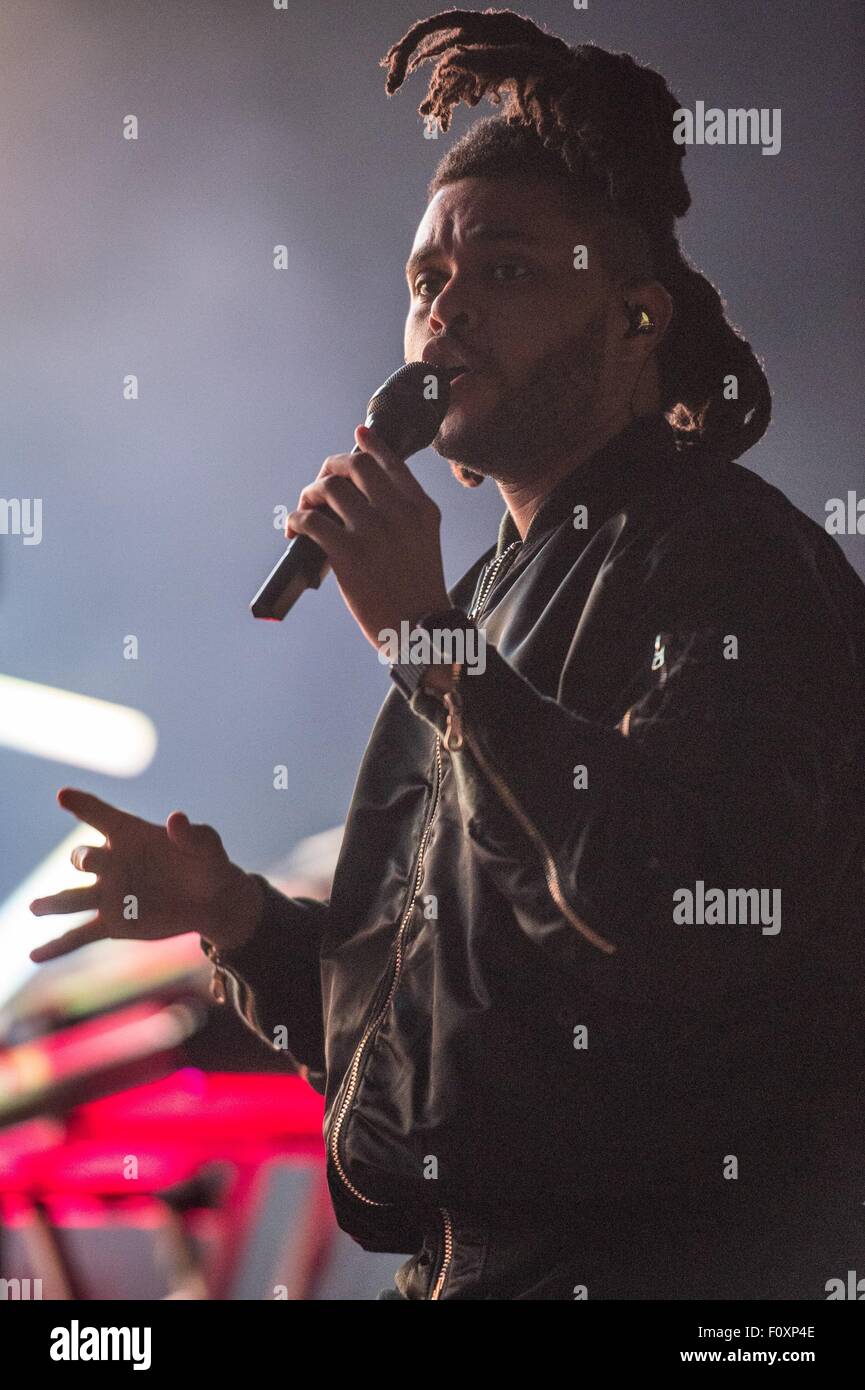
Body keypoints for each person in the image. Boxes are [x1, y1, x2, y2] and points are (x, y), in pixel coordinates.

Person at [30, 10, 865, 1299]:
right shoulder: (476, 601)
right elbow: (457, 1039)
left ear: (639, 317)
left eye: (510, 269)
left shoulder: (726, 558)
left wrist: (438, 653)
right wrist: (236, 918)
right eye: (427, 279)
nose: (447, 307)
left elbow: (679, 911)